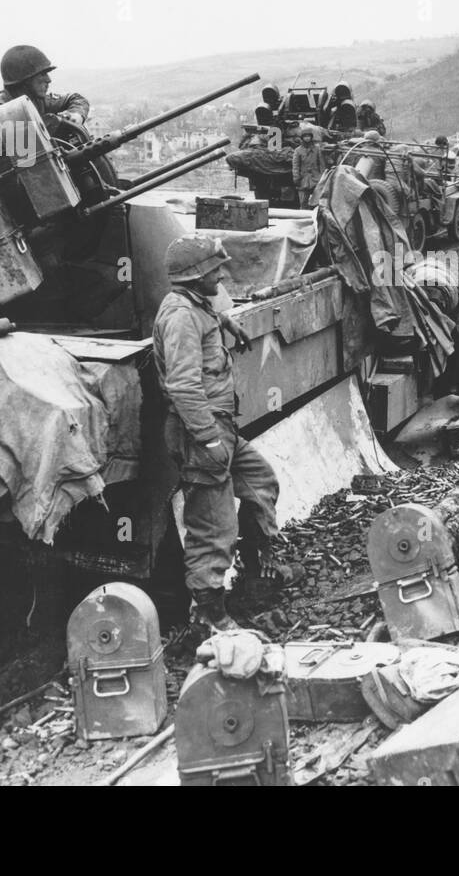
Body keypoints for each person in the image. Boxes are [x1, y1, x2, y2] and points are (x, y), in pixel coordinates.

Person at [153, 234, 302, 634]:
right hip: (201, 434)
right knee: (214, 528)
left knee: (260, 483)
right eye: (215, 269)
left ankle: (257, 570)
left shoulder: (196, 307)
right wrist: (209, 439)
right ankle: (209, 614)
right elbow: (183, 386)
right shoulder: (181, 317)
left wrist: (223, 321)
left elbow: (203, 317)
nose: (221, 273)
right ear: (196, 275)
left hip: (221, 428)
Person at [0, 45, 91, 182]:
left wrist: (76, 115)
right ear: (24, 80)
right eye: (42, 74)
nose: (48, 80)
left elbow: (76, 99)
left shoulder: (36, 100)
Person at [291, 127, 323, 206]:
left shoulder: (317, 149)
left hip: (316, 178)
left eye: (309, 136)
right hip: (303, 179)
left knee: (318, 202)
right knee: (303, 202)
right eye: (305, 136)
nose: (307, 138)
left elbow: (321, 164)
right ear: (302, 138)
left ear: (311, 137)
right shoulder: (298, 150)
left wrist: (322, 177)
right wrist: (296, 178)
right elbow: (296, 166)